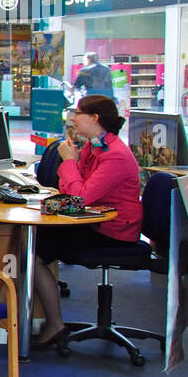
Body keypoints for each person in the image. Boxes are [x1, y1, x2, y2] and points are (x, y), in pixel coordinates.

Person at [30, 94, 143, 350]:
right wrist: (75, 162)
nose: (72, 118)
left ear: (94, 118)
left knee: (32, 252)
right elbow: (72, 189)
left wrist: (69, 161)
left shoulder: (115, 155)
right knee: (35, 238)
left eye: (77, 113)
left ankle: (55, 324)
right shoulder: (95, 146)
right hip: (96, 219)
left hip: (113, 229)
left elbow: (80, 196)